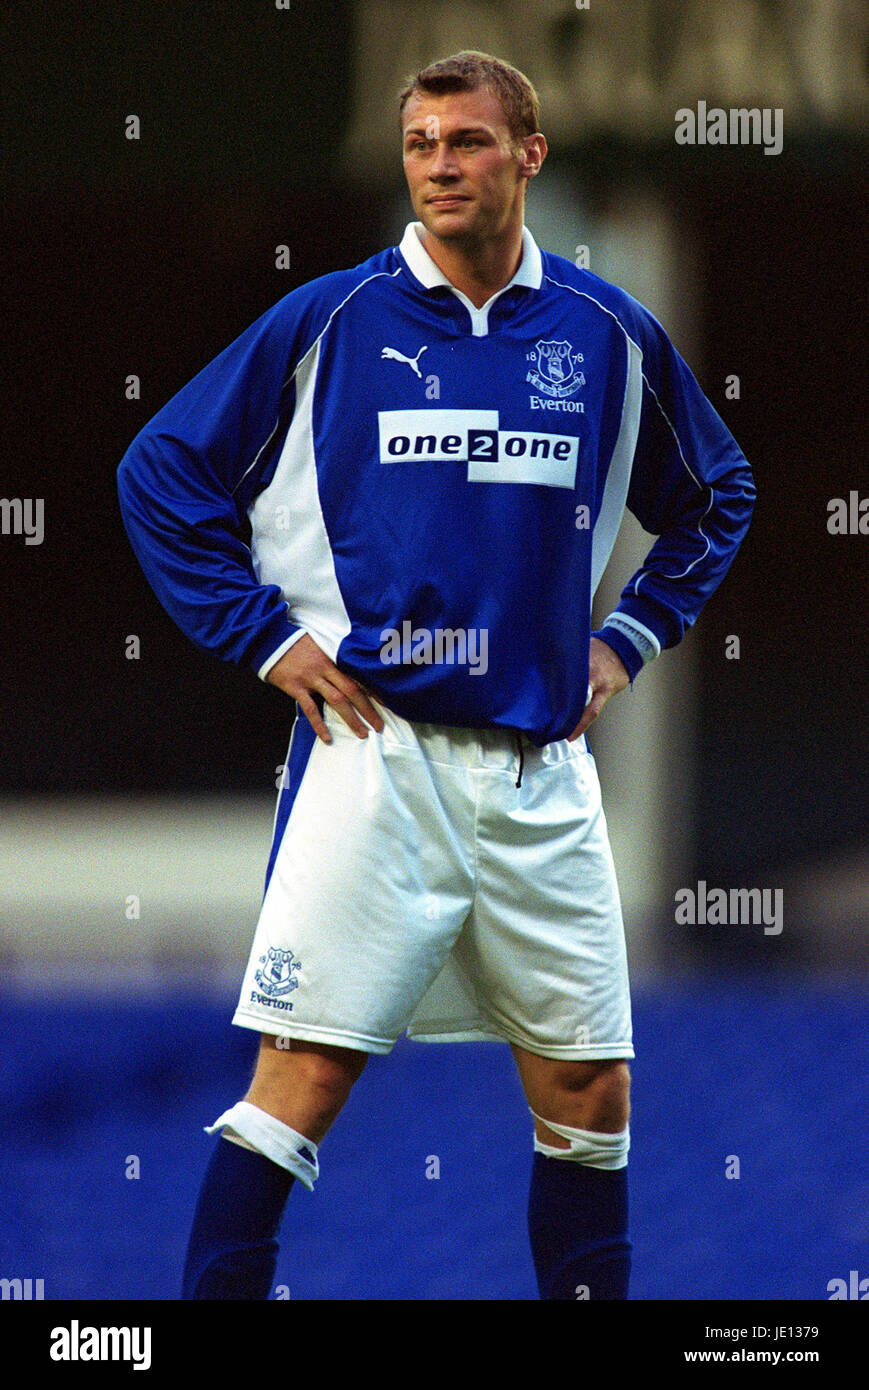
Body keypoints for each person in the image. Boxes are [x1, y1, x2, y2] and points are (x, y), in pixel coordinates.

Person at [117, 50, 754, 1301]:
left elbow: (714, 493)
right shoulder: (333, 319)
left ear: (528, 155)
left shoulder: (607, 329)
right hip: (375, 761)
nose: (441, 164)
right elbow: (160, 473)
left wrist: (627, 637)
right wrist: (261, 633)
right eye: (419, 145)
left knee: (590, 1088)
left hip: (538, 769)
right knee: (300, 1081)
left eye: (466, 140)